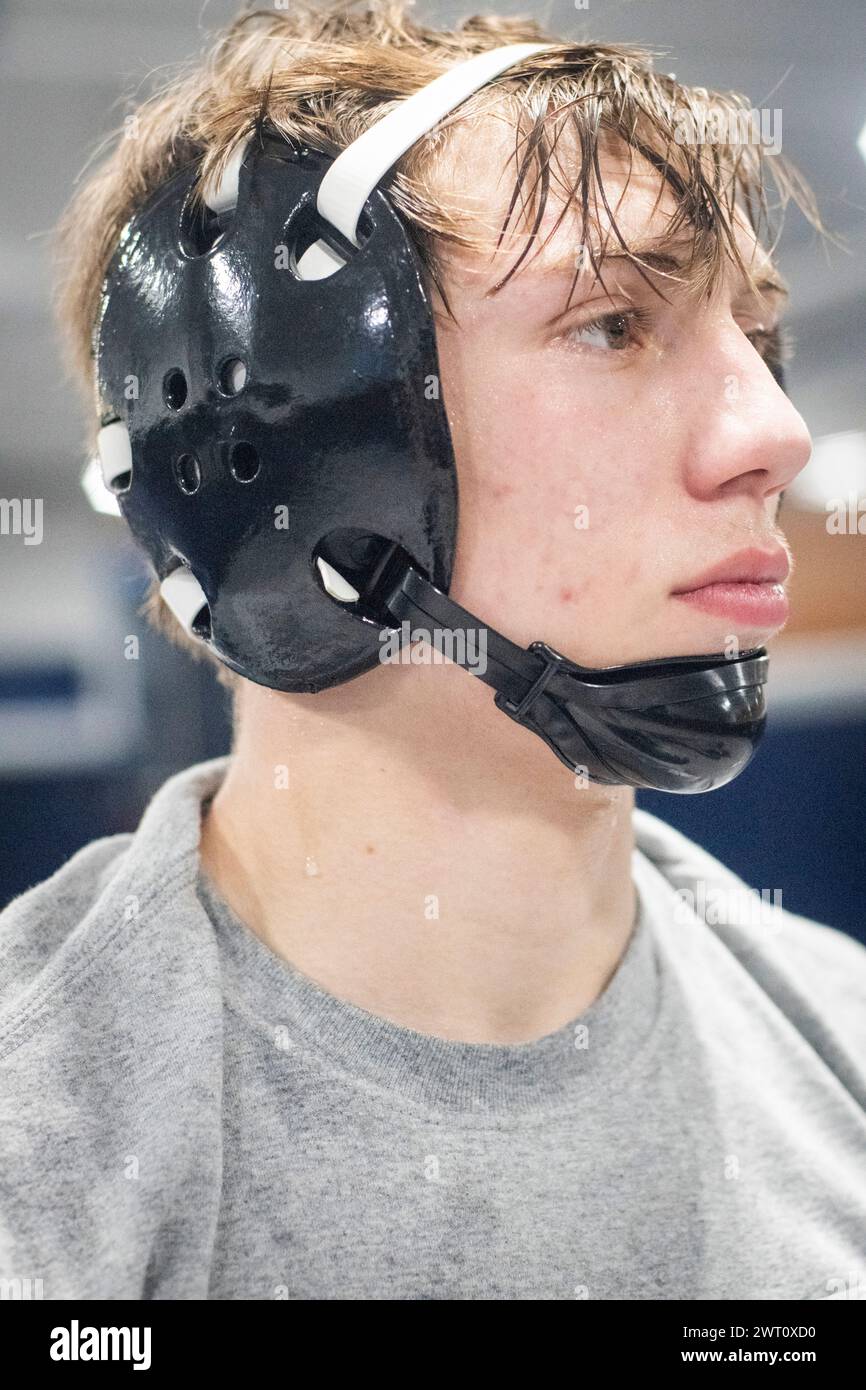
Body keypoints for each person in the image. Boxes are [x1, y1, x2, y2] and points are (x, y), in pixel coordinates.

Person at [1, 1, 864, 1302]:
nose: (773, 433)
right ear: (276, 453)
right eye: (613, 323)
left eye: (758, 340)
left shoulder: (842, 1044)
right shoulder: (42, 1153)